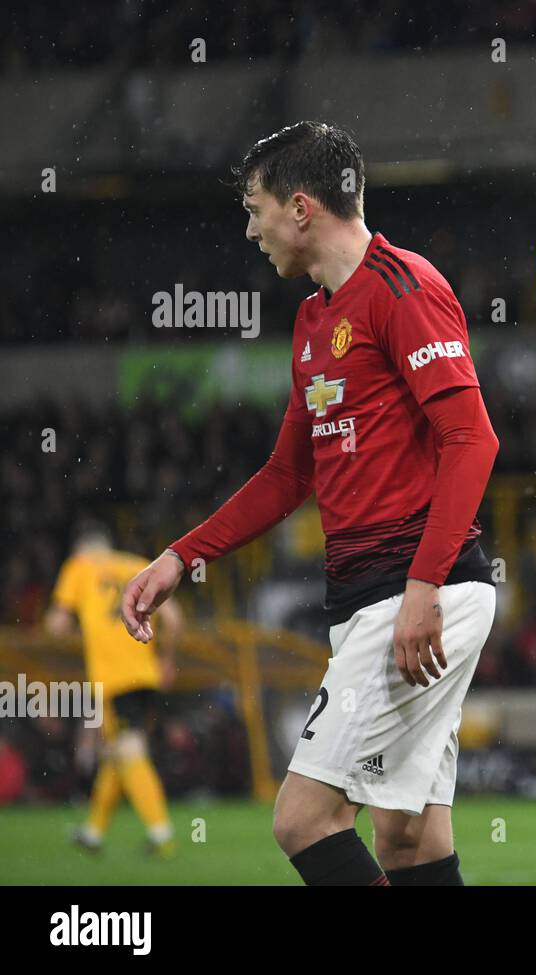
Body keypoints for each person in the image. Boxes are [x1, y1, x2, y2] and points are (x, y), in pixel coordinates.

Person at [122, 121, 499, 886]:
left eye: (256, 207)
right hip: (376, 593)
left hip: (418, 588)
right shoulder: (313, 320)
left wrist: (423, 588)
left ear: (301, 208)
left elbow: (473, 440)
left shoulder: (405, 288)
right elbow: (288, 477)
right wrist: (181, 554)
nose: (251, 227)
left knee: (302, 817)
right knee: (408, 837)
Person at [46, 521, 180, 856]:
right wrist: (166, 660)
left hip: (114, 676)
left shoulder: (79, 566)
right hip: (146, 671)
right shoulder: (138, 564)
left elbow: (58, 626)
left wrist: (49, 625)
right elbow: (175, 619)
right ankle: (94, 833)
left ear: (82, 549)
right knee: (116, 752)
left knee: (129, 750)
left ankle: (162, 835)